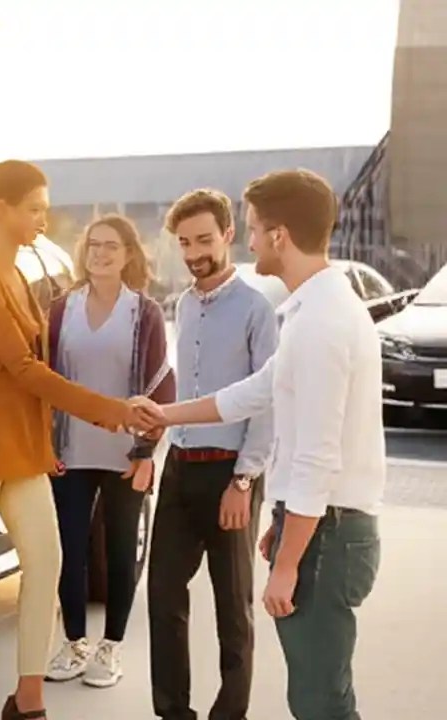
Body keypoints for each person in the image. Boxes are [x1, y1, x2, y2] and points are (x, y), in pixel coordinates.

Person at [138, 169, 385, 720]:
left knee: (321, 703)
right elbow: (254, 391)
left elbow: (319, 457)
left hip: (331, 535)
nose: (248, 243)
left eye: (251, 230)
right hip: (324, 526)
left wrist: (289, 561)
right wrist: (164, 413)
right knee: (319, 696)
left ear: (279, 235)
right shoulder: (314, 311)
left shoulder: (320, 321)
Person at [0, 159, 154, 720]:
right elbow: (25, 372)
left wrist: (50, 438)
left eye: (44, 207)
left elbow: (37, 375)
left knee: (48, 561)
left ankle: (27, 695)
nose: (42, 218)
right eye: (33, 207)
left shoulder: (19, 278)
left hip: (23, 451)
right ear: (2, 210)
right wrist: (111, 412)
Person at [147, 189, 278, 720]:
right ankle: (174, 712)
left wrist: (244, 480)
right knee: (163, 596)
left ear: (227, 235)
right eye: (184, 242)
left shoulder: (257, 308)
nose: (194, 251)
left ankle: (231, 713)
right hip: (179, 470)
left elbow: (268, 400)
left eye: (204, 239)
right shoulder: (183, 305)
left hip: (231, 475)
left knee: (232, 608)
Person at [44, 214, 176, 688]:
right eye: (93, 244)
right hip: (69, 454)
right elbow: (45, 383)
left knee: (120, 554)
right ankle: (75, 643)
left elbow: (163, 388)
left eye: (111, 247)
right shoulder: (60, 309)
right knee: (68, 552)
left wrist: (146, 453)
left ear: (128, 256)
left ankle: (110, 649)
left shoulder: (145, 313)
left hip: (125, 457)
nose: (100, 253)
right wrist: (45, 445)